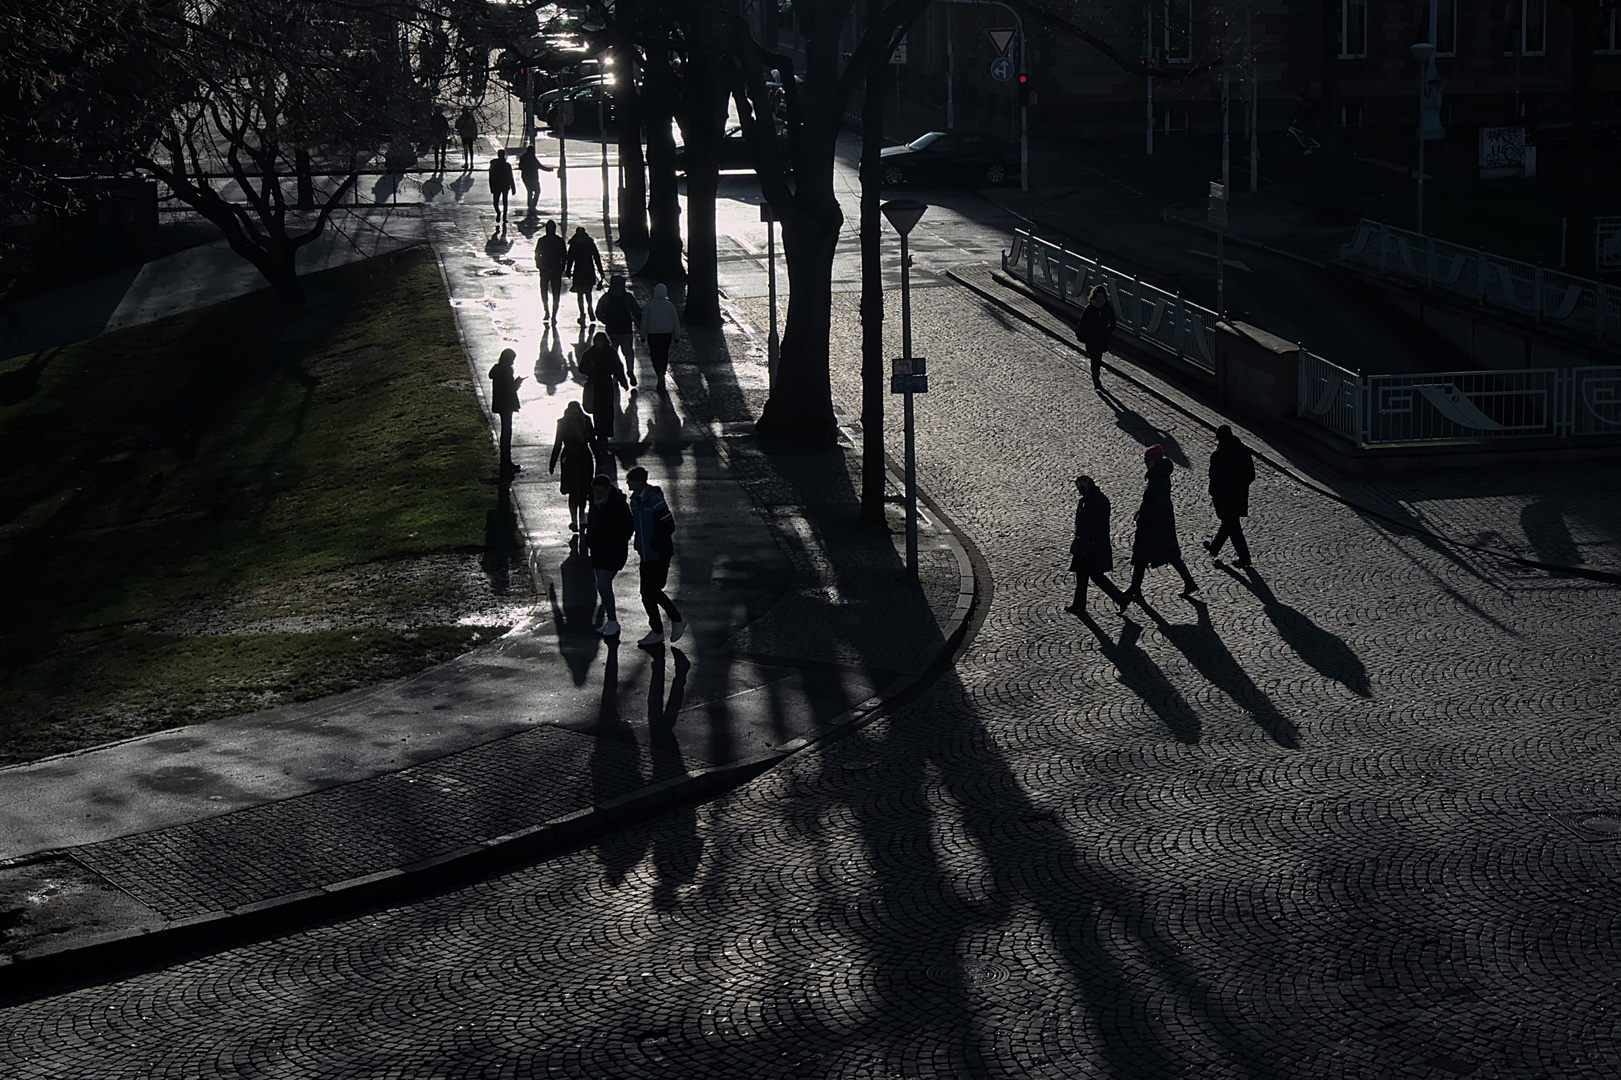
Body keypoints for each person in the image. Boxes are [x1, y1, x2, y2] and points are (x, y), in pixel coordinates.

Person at [1119, 444, 1199, 612]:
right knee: (1149, 555)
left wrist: (1145, 517)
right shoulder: (1159, 476)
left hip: (1155, 526)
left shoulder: (1157, 479)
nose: (1145, 463)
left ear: (1153, 461)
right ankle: (1135, 586)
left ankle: (1188, 582)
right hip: (1158, 524)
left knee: (1165, 554)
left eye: (1146, 460)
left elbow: (1155, 505)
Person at [626, 465, 686, 647]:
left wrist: (654, 543)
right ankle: (657, 631)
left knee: (652, 591)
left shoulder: (655, 501)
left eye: (630, 480)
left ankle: (676, 619)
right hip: (645, 554)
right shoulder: (635, 501)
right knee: (646, 594)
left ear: (639, 481)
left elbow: (669, 526)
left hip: (659, 554)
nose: (627, 483)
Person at [1066, 475, 1123, 616]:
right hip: (1091, 543)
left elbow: (1092, 524)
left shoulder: (1094, 501)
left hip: (1091, 544)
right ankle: (1079, 604)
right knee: (1085, 575)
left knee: (1093, 575)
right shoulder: (1092, 499)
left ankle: (1121, 599)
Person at [585, 474, 634, 637]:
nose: (597, 495)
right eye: (595, 492)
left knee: (603, 584)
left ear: (607, 489)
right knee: (603, 585)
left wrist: (615, 540)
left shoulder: (618, 505)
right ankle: (611, 620)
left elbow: (628, 527)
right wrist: (590, 541)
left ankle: (613, 620)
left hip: (614, 551)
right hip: (598, 551)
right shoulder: (594, 502)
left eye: (600, 492)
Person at [1203, 425, 1256, 568]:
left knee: (1232, 526)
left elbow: (1214, 477)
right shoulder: (1243, 452)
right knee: (1230, 523)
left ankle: (1245, 557)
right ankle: (1214, 547)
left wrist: (1214, 493)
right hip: (1239, 496)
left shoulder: (1218, 456)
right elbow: (1251, 475)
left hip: (1223, 497)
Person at [549, 401, 596, 532]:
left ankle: (580, 517)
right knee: (574, 490)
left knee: (583, 489)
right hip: (572, 459)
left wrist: (599, 459)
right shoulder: (567, 422)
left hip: (579, 458)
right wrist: (552, 463)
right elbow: (558, 442)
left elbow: (592, 441)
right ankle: (575, 519)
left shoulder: (584, 421)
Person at [579, 331, 628, 443]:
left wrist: (623, 381)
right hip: (594, 384)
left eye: (601, 341)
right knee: (597, 409)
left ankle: (605, 431)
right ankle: (601, 432)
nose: (599, 343)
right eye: (597, 341)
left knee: (607, 409)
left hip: (605, 383)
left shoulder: (610, 353)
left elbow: (617, 368)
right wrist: (590, 368)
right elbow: (581, 368)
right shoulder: (590, 353)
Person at [595, 275, 642, 388]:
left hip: (611, 331)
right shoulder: (628, 297)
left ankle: (615, 375)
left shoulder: (606, 297)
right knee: (628, 353)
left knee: (613, 354)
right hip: (626, 331)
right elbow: (637, 312)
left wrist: (607, 321)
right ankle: (630, 370)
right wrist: (640, 326)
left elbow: (598, 313)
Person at [640, 282, 682, 393]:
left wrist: (642, 335)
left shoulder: (649, 305)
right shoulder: (670, 306)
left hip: (653, 335)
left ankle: (658, 372)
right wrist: (676, 336)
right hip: (666, 335)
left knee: (654, 354)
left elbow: (644, 322)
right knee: (664, 354)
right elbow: (675, 322)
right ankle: (662, 372)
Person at [488, 348, 524, 475]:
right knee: (507, 434)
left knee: (506, 433)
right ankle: (506, 463)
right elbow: (510, 388)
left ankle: (506, 462)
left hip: (500, 403)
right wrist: (518, 383)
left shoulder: (497, 369)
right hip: (507, 404)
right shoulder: (507, 370)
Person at [1075, 284, 1118, 388]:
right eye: (1098, 297)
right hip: (1091, 338)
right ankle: (1096, 379)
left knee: (1098, 358)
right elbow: (1083, 323)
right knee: (1095, 359)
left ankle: (1096, 377)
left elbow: (1113, 321)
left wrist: (1107, 332)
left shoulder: (1107, 307)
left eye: (1101, 297)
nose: (1100, 299)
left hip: (1102, 337)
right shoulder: (1090, 308)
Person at [565, 227, 605, 325]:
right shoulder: (590, 243)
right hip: (589, 270)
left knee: (579, 294)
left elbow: (570, 258)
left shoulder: (574, 244)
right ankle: (590, 308)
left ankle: (582, 313)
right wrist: (600, 270)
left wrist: (568, 270)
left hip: (578, 270)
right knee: (588, 292)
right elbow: (596, 257)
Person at [535, 220, 566, 323]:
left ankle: (547, 311)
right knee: (556, 293)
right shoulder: (559, 241)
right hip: (555, 269)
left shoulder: (542, 240)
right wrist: (562, 267)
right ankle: (553, 314)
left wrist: (539, 265)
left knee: (544, 291)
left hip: (545, 269)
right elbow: (564, 256)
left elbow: (537, 254)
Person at [517, 144, 552, 215]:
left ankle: (530, 205)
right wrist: (548, 169)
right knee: (537, 191)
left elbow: (520, 167)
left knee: (529, 191)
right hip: (533, 177)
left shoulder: (523, 157)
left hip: (525, 177)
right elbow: (539, 165)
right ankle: (533, 205)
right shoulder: (532, 158)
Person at [488, 148, 515, 227]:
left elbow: (491, 177)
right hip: (503, 185)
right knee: (504, 201)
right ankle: (502, 214)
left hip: (499, 185)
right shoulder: (505, 165)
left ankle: (501, 214)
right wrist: (513, 187)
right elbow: (510, 177)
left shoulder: (495, 165)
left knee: (498, 201)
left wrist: (491, 187)